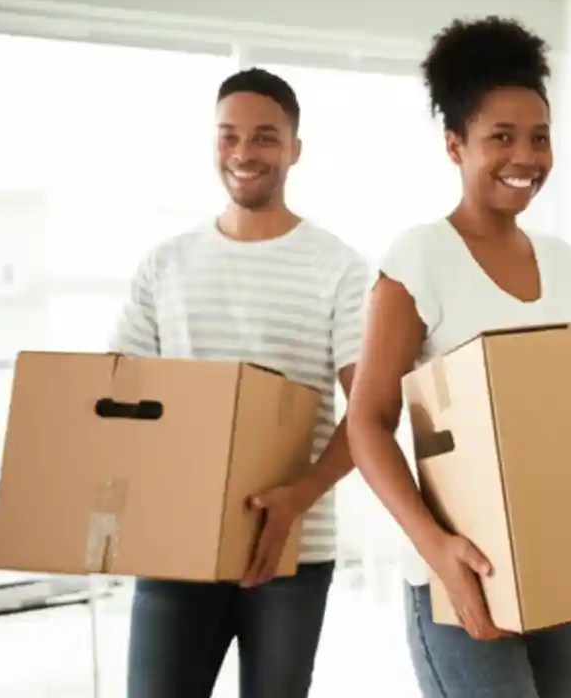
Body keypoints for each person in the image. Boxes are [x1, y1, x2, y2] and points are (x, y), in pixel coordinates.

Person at [346, 17, 571, 697]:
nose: (526, 157)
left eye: (540, 137)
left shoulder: (568, 267)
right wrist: (438, 550)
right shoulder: (421, 258)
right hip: (463, 568)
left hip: (566, 558)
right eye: (501, 137)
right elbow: (367, 422)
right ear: (454, 145)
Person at [111, 67, 369, 698]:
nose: (244, 153)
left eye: (264, 138)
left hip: (292, 551)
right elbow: (117, 399)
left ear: (295, 150)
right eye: (229, 136)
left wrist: (300, 495)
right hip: (175, 543)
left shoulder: (339, 268)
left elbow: (372, 412)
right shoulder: (164, 265)